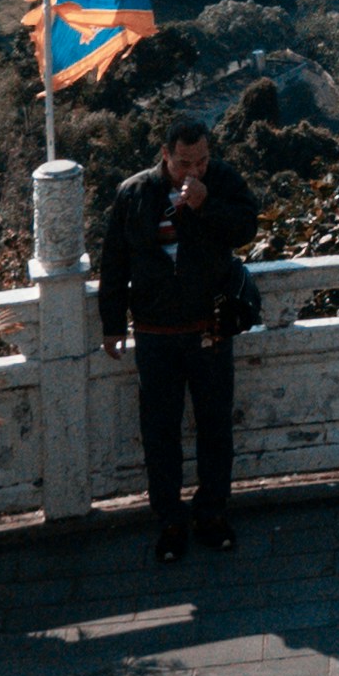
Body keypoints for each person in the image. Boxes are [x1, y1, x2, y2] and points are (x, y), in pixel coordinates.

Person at [97, 112, 261, 563]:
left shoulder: (221, 181)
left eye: (202, 161)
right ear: (165, 155)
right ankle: (169, 519)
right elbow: (114, 263)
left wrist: (207, 202)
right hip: (154, 333)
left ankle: (211, 513)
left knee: (214, 427)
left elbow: (247, 228)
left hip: (208, 328)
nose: (194, 171)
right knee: (160, 431)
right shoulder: (134, 194)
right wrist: (112, 323)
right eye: (185, 162)